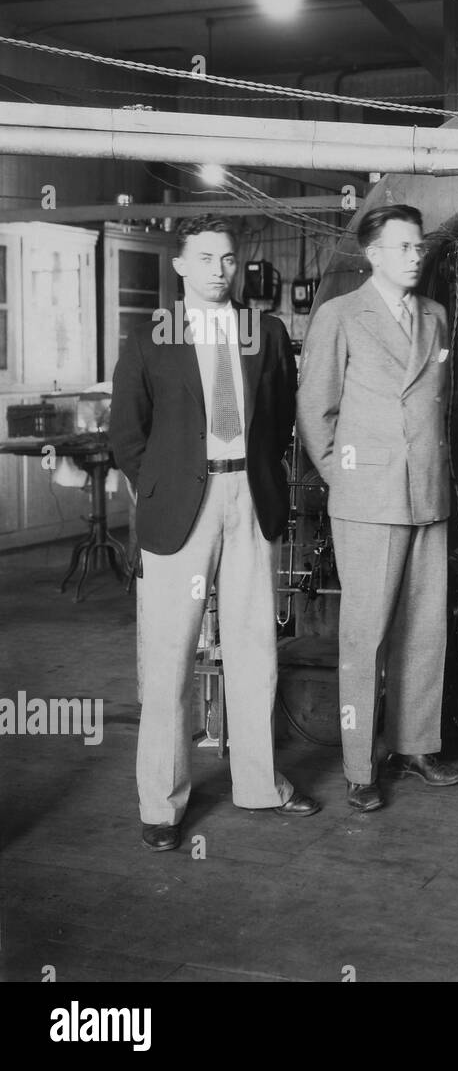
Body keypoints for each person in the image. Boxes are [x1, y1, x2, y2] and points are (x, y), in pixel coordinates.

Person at [111, 214, 319, 851]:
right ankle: (161, 803)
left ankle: (259, 783)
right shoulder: (150, 336)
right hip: (180, 506)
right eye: (204, 259)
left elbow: (279, 421)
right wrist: (162, 487)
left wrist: (257, 481)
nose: (219, 271)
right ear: (179, 265)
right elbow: (127, 434)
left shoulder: (267, 333)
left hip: (249, 497)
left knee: (255, 649)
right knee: (168, 657)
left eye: (227, 259)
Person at [296, 204, 458, 812]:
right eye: (403, 248)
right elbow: (314, 411)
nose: (416, 257)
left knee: (424, 629)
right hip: (368, 497)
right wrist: (347, 479)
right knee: (364, 637)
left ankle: (415, 746)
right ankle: (359, 765)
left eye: (419, 247)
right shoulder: (341, 315)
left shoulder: (436, 316)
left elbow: (440, 407)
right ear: (372, 255)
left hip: (427, 492)